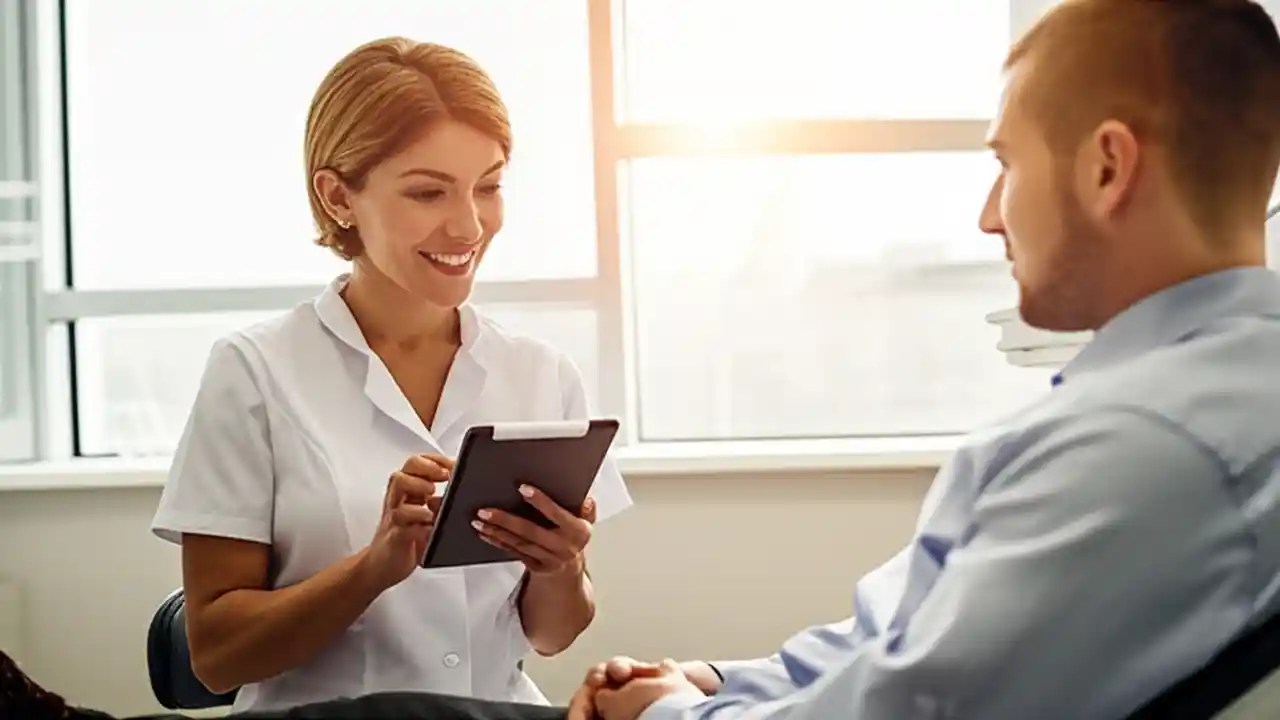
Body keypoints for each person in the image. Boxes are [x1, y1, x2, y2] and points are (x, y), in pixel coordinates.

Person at [564, 0, 1280, 718]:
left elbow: (917, 706)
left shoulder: (1140, 445)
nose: (990, 214)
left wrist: (665, 716)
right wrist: (717, 684)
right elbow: (914, 643)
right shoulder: (1225, 390)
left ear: (1107, 167)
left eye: (1007, 163)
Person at [147, 36, 632, 715]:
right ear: (338, 196)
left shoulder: (540, 373)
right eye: (428, 191)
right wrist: (372, 570)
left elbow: (552, 634)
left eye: (488, 187)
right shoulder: (254, 372)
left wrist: (562, 566)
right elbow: (218, 655)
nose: (468, 225)